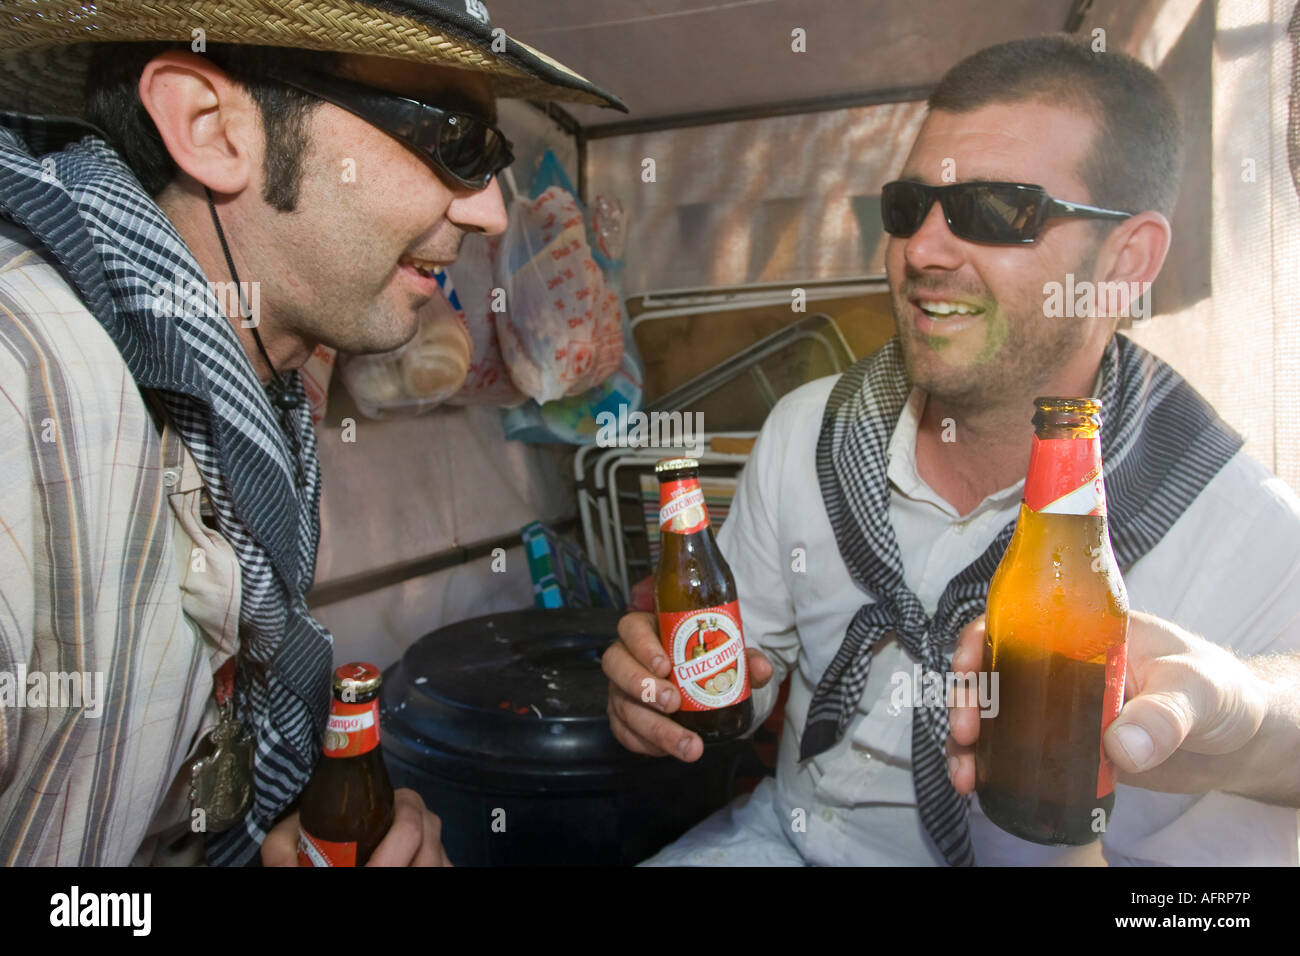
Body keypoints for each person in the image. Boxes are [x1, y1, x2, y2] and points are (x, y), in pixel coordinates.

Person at [603, 35, 1300, 865]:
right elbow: (745, 666)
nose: (921, 253)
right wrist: (672, 692)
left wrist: (1251, 714)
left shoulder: (1246, 528)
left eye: (996, 211)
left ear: (1125, 262)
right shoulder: (803, 431)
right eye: (907, 208)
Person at [0, 0, 623, 866]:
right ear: (212, 128)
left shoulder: (251, 401)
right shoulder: (25, 394)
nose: (488, 212)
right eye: (458, 142)